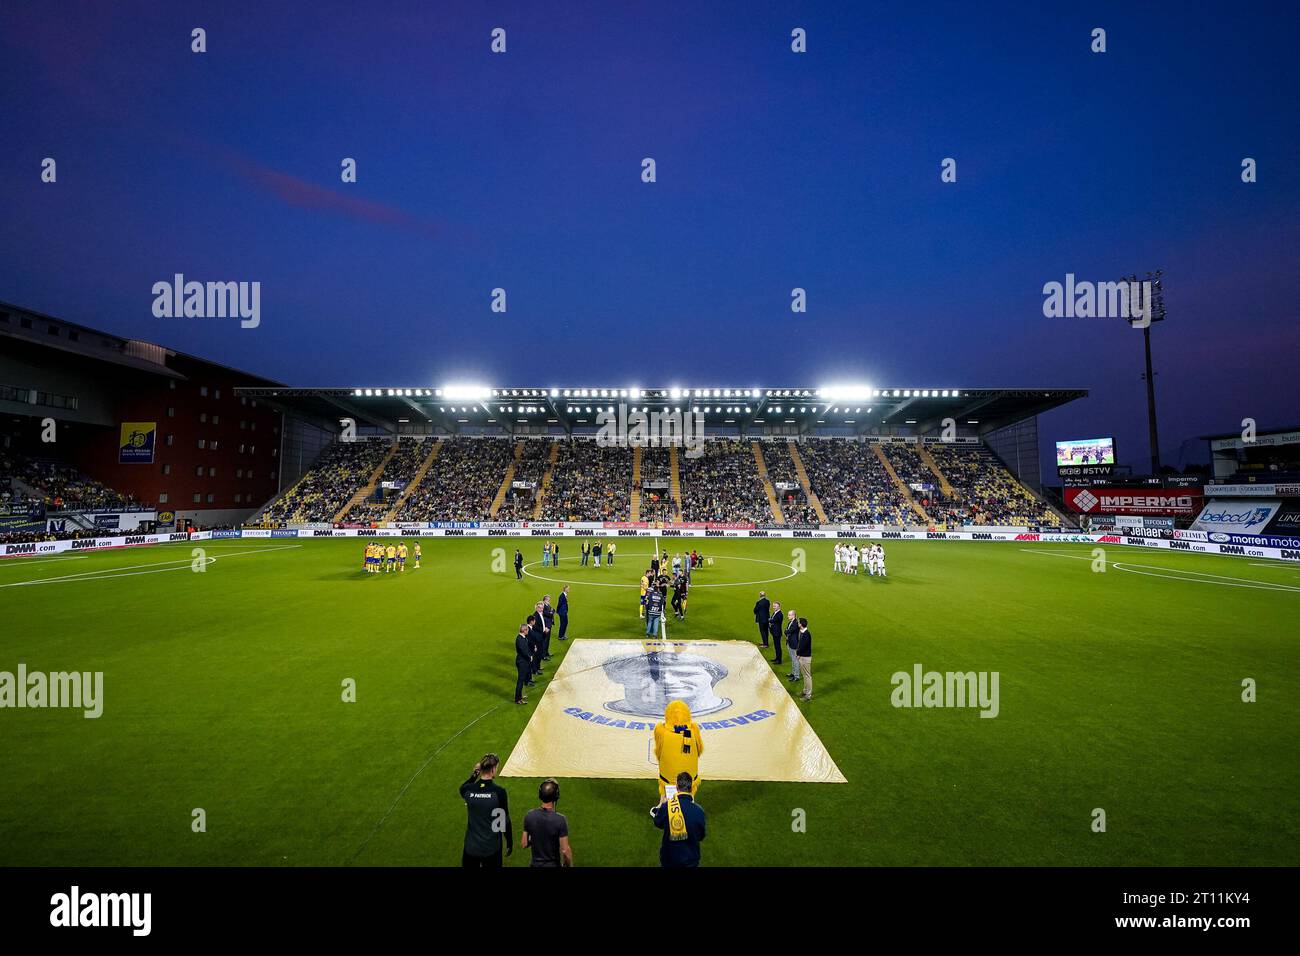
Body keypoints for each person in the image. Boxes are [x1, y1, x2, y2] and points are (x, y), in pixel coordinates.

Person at [459, 753, 512, 867]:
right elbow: (504, 821)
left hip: (471, 847)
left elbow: (462, 788)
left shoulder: (468, 790)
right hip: (491, 848)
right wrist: (509, 841)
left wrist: (475, 774)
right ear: (493, 769)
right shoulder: (499, 792)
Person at [651, 772, 706, 868]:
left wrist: (661, 807)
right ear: (691, 788)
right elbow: (701, 836)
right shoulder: (699, 811)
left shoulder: (667, 806)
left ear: (676, 787)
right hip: (691, 861)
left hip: (669, 860)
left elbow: (657, 822)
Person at [654, 700, 703, 800]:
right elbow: (700, 750)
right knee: (690, 792)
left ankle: (663, 805)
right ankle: (690, 803)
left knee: (666, 798)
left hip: (668, 779)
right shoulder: (694, 731)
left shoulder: (661, 732)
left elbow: (658, 753)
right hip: (690, 779)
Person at [521, 778, 572, 868]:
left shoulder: (529, 815)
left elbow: (524, 843)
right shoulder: (560, 820)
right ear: (556, 797)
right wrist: (568, 864)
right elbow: (565, 850)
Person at [514, 624, 533, 704]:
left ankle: (520, 696)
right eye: (527, 630)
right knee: (520, 681)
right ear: (524, 630)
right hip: (522, 662)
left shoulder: (522, 638)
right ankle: (518, 699)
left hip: (523, 661)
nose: (528, 631)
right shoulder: (520, 639)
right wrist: (529, 657)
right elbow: (523, 651)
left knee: (521, 680)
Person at [795, 617, 813, 701]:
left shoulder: (806, 634)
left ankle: (808, 695)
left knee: (807, 676)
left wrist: (798, 654)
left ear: (801, 624)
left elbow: (803, 646)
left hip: (805, 658)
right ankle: (805, 691)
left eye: (798, 622)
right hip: (803, 657)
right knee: (805, 676)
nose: (797, 623)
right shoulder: (802, 632)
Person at [784, 610, 801, 682]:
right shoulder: (790, 622)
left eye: (789, 615)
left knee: (795, 660)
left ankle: (796, 676)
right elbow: (787, 630)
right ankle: (793, 673)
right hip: (789, 643)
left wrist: (786, 631)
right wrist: (786, 631)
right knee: (793, 659)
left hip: (794, 644)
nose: (788, 616)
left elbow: (788, 631)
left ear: (794, 615)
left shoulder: (795, 623)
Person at [769, 601, 784, 665]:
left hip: (777, 633)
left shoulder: (780, 614)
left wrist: (769, 620)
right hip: (775, 632)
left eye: (775, 606)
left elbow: (773, 620)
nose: (774, 607)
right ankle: (777, 658)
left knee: (778, 647)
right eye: (773, 606)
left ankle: (779, 660)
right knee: (776, 646)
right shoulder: (775, 613)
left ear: (779, 607)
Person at [541, 595, 555, 661]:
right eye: (548, 600)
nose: (549, 601)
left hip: (549, 625)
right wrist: (551, 612)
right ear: (545, 600)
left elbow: (552, 610)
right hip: (546, 626)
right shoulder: (543, 606)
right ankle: (543, 655)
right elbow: (548, 614)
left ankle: (546, 653)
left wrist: (552, 612)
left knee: (547, 640)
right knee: (545, 641)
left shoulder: (547, 605)